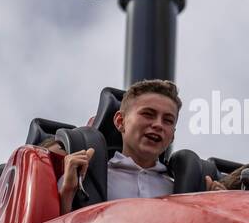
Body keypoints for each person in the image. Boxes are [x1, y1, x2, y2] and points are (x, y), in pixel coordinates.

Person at [58, 80, 182, 214]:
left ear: (172, 136)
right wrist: (67, 192)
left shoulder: (182, 191)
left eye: (168, 120)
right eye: (148, 114)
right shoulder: (82, 179)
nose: (158, 125)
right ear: (120, 121)